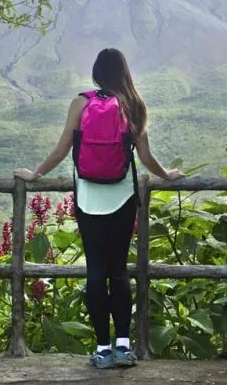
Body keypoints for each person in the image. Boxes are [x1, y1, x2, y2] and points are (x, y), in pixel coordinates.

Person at [14, 48, 184, 369]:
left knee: (96, 272)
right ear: (124, 73)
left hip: (88, 197)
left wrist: (35, 174)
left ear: (96, 72)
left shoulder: (81, 102)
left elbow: (62, 149)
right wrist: (168, 175)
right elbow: (146, 158)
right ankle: (123, 347)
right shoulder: (133, 104)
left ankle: (103, 350)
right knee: (118, 272)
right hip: (121, 197)